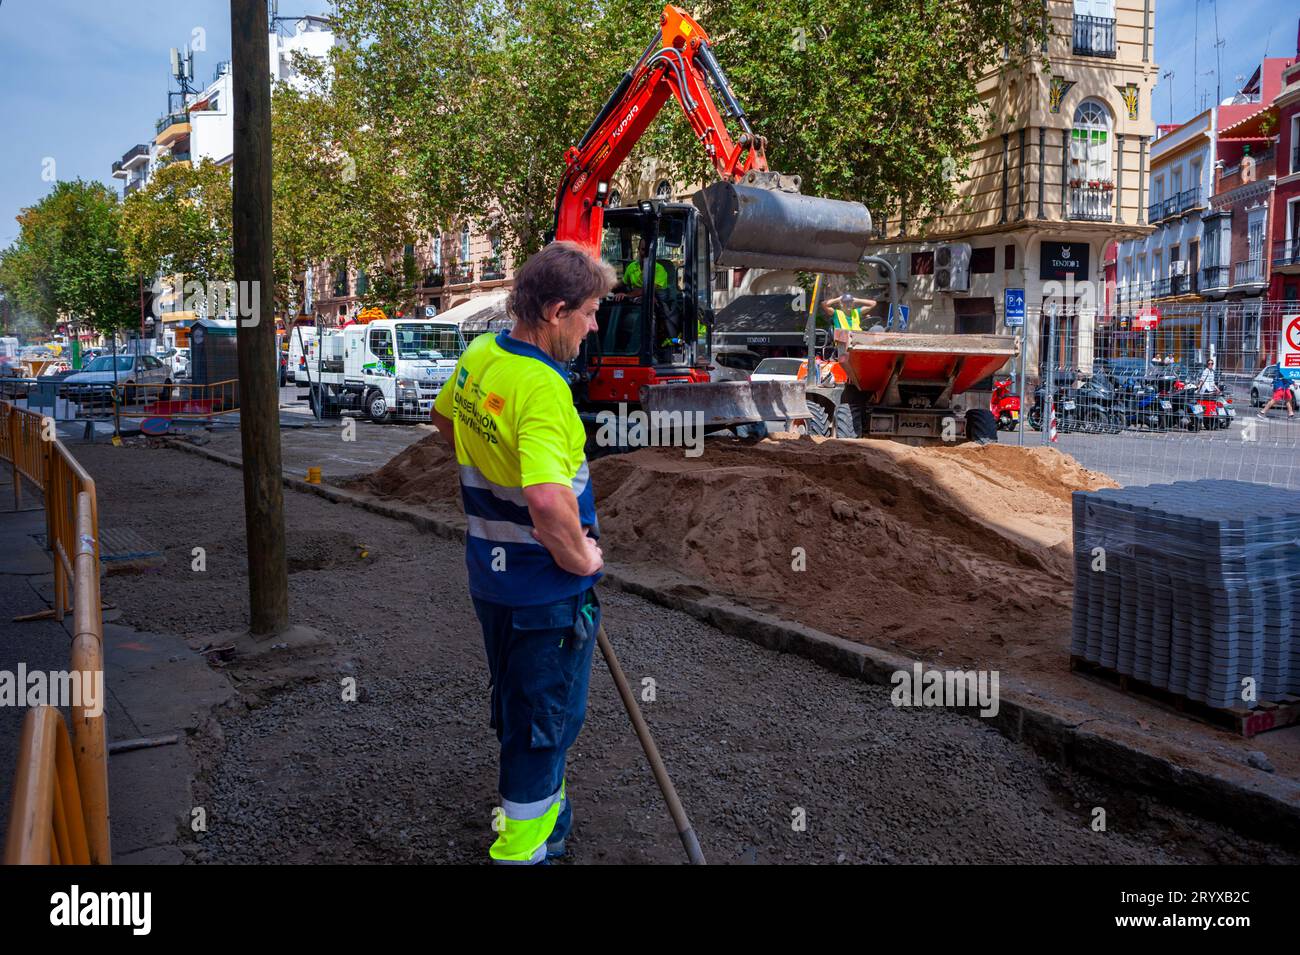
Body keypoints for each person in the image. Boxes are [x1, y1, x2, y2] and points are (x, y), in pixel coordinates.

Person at [431, 241, 615, 864]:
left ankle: (549, 822)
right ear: (556, 311)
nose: (594, 327)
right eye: (589, 313)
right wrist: (584, 561)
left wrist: (492, 469)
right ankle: (522, 848)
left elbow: (444, 420)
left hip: (493, 579)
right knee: (545, 723)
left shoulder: (482, 355)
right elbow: (544, 497)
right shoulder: (541, 388)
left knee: (524, 703)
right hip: (545, 592)